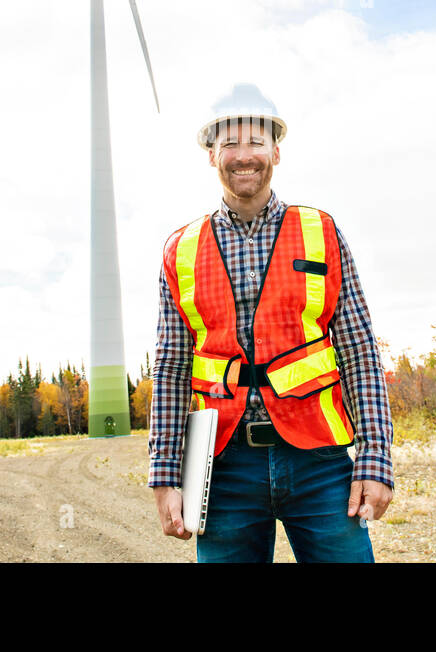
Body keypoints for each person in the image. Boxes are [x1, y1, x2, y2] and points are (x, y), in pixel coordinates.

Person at [148, 83, 393, 562]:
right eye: (230, 144)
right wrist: (165, 476)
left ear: (276, 152)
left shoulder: (320, 232)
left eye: (256, 142)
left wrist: (376, 457)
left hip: (320, 461)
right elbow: (172, 368)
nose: (244, 155)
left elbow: (360, 351)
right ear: (211, 155)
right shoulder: (180, 249)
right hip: (223, 466)